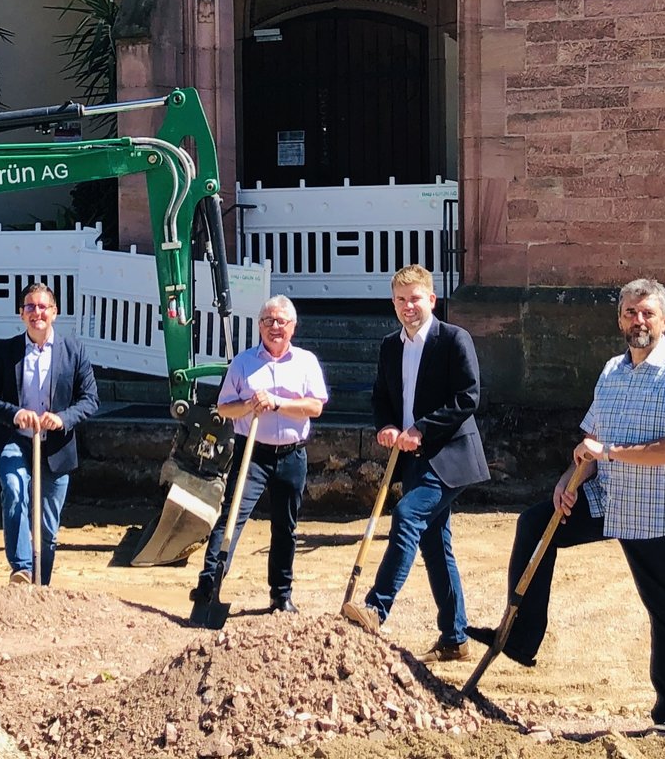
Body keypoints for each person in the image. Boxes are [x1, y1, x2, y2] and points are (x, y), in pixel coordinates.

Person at [474, 277, 665, 741]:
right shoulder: (612, 371)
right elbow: (588, 444)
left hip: (661, 509)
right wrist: (568, 482)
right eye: (630, 312)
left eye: (647, 313)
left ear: (664, 320)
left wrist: (609, 453)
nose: (638, 321)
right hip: (609, 497)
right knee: (535, 524)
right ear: (620, 318)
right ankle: (522, 638)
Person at [349, 264, 489, 660]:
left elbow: (468, 397)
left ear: (431, 299)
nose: (408, 306)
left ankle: (376, 607)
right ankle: (454, 637)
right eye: (400, 299)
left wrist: (421, 429)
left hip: (451, 456)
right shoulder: (390, 345)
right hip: (413, 460)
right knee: (434, 543)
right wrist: (389, 426)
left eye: (415, 298)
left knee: (408, 515)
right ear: (393, 303)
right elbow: (380, 396)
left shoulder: (453, 339)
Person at [191, 295, 329, 614]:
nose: (274, 327)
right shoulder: (243, 363)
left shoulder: (306, 362)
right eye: (268, 321)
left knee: (285, 526)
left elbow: (315, 407)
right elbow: (225, 408)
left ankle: (281, 595)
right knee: (231, 518)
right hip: (251, 453)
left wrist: (278, 403)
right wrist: (249, 405)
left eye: (281, 321)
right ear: (259, 326)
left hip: (292, 455)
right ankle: (209, 587)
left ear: (292, 327)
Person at [0, 281, 99, 584]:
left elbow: (91, 399)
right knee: (15, 488)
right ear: (21, 314)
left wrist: (63, 418)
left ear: (54, 312)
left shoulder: (74, 351)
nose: (36, 313)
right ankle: (21, 569)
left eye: (43, 307)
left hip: (56, 449)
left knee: (46, 525)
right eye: (30, 307)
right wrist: (16, 414)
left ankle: (40, 587)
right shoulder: (6, 352)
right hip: (15, 441)